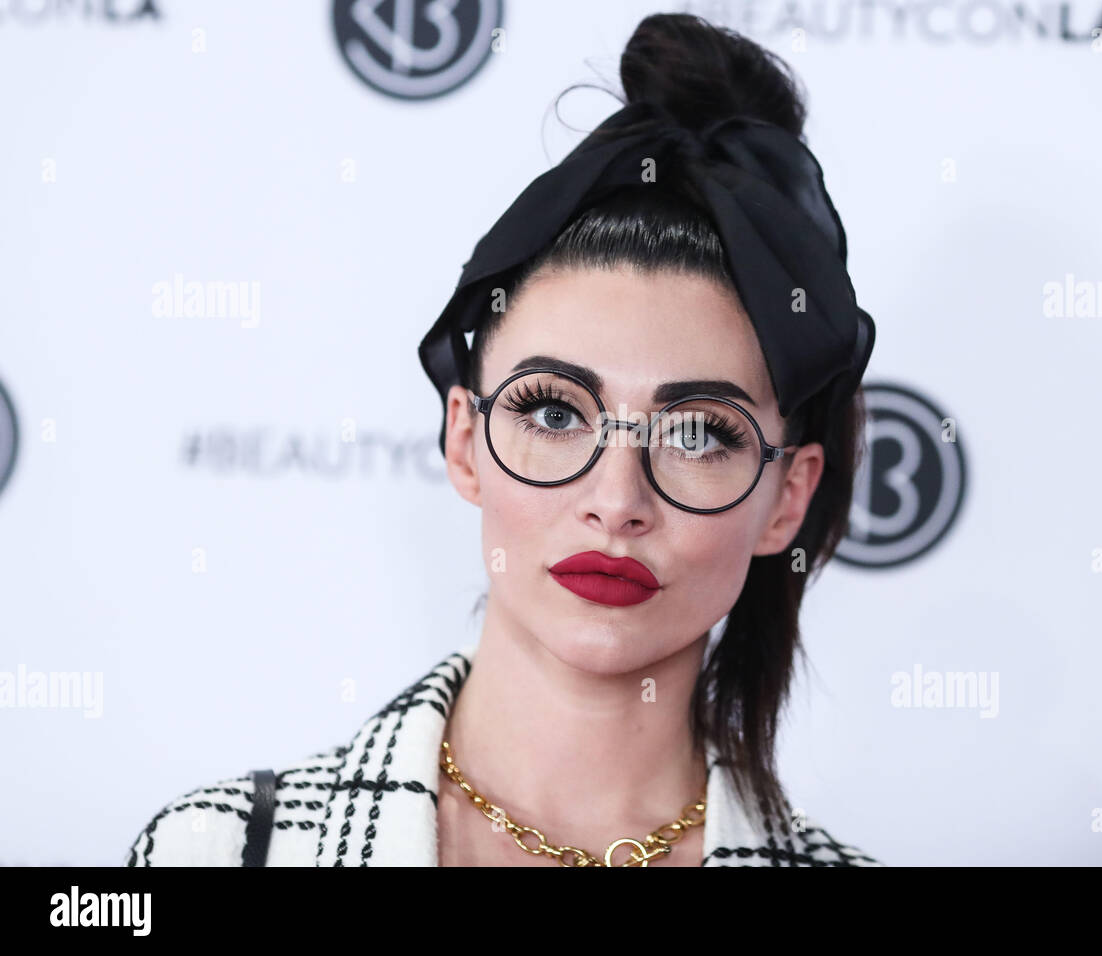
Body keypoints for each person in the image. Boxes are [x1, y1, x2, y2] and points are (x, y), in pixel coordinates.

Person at [124, 12, 881, 868]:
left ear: (788, 498)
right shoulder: (220, 850)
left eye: (699, 435)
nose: (617, 504)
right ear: (464, 440)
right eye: (555, 413)